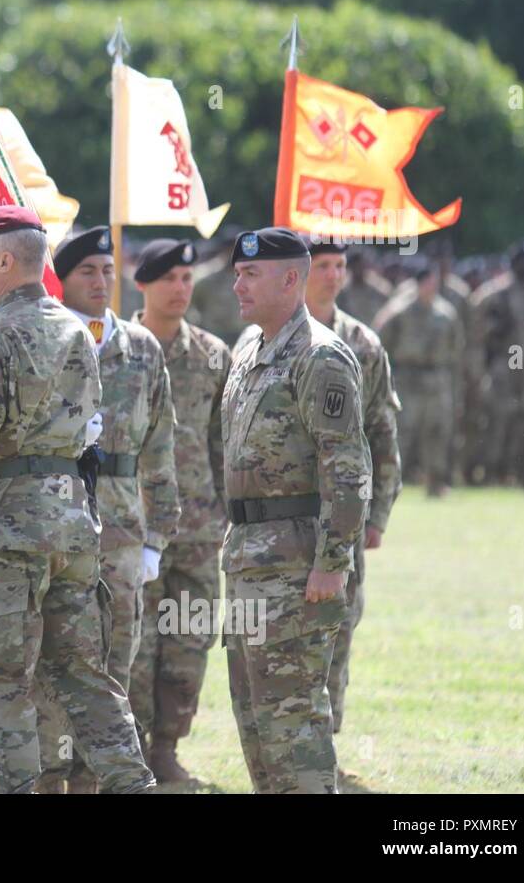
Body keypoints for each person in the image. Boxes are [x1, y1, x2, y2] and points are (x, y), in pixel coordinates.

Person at [0, 205, 157, 794]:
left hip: (6, 531)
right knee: (86, 680)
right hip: (73, 526)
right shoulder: (74, 329)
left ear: (7, 261)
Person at [222, 227, 371, 794]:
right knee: (255, 721)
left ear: (290, 279)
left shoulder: (321, 356)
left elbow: (348, 468)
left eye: (250, 274)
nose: (237, 283)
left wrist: (333, 562)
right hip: (247, 560)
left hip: (294, 566)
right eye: (237, 273)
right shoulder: (248, 351)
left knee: (294, 724)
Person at [36, 227, 180, 794]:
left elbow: (162, 450)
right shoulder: (43, 340)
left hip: (121, 531)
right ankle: (49, 780)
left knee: (113, 668)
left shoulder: (141, 348)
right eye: (86, 272)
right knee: (51, 669)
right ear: (61, 280)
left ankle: (93, 783)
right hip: (55, 526)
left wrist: (156, 540)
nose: (100, 281)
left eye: (106, 270)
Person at [130, 237, 231, 783]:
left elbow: (224, 444)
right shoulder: (114, 348)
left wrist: (229, 513)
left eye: (187, 279)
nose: (180, 288)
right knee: (135, 645)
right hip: (134, 524)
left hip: (197, 527)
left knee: (189, 642)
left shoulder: (215, 356)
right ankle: (132, 747)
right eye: (168, 278)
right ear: (142, 284)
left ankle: (167, 746)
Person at [299, 237, 401, 736]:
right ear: (300, 271)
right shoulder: (272, 338)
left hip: (343, 512)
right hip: (285, 513)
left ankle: (327, 733)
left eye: (340, 265)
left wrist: (379, 514)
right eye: (323, 265)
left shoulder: (363, 344)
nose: (334, 275)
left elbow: (382, 432)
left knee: (340, 621)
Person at [469, 240, 524, 486]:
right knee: (499, 420)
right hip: (506, 366)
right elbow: (475, 327)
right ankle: (492, 472)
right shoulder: (495, 294)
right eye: (521, 262)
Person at [374, 262, 462, 496]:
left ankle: (436, 483)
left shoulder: (446, 313)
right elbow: (381, 337)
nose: (431, 287)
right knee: (403, 431)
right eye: (427, 283)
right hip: (408, 376)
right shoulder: (399, 310)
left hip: (436, 377)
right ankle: (391, 483)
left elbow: (456, 345)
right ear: (418, 284)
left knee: (437, 431)